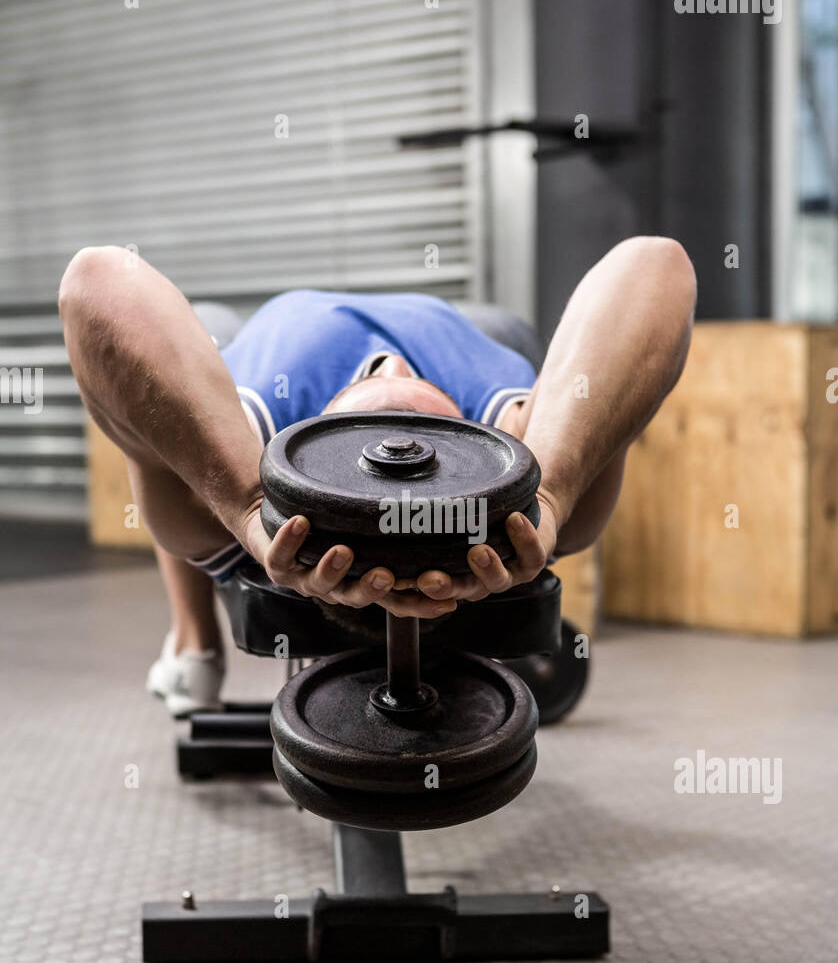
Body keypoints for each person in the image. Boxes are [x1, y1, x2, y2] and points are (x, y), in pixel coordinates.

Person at [59, 238, 696, 714]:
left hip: (265, 358)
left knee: (185, 408)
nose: (394, 382)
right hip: (460, 321)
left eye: (379, 446)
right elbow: (655, 263)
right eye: (424, 450)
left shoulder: (260, 455)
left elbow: (96, 280)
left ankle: (195, 642)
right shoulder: (519, 471)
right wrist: (555, 494)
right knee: (516, 340)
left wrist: (246, 507)